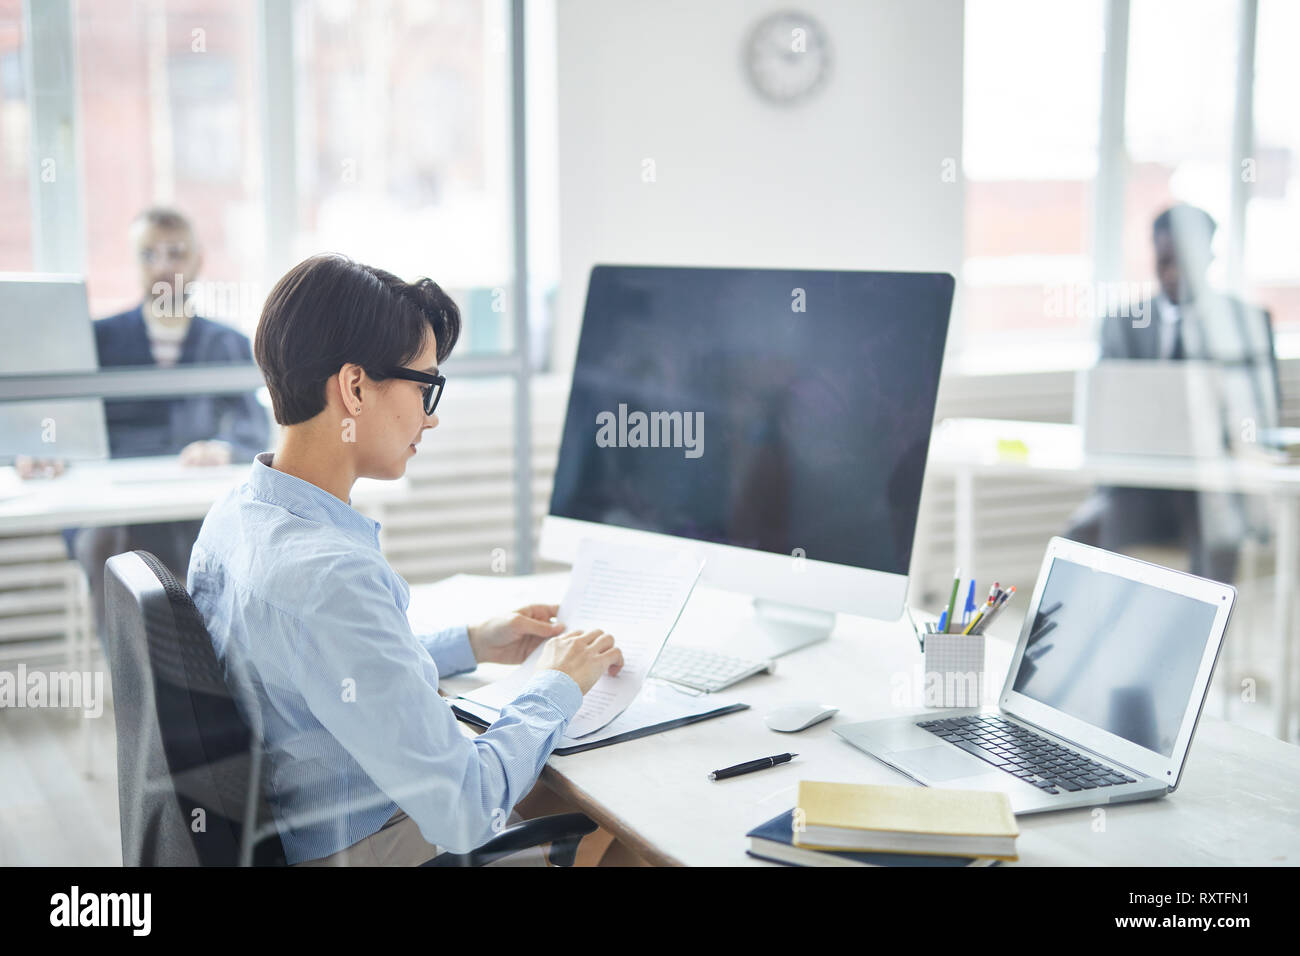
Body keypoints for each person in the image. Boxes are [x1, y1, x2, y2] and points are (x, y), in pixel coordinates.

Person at [186, 253, 624, 866]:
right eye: (425, 386)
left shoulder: (235, 517)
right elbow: (468, 808)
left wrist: (470, 641)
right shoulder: (331, 575)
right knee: (621, 840)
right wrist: (559, 682)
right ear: (355, 387)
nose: (432, 414)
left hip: (301, 830)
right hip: (369, 849)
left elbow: (319, 664)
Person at [17, 207, 271, 641]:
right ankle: (137, 687)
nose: (164, 265)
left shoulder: (227, 343)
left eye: (176, 252)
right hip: (113, 512)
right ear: (133, 263)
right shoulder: (96, 339)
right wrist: (43, 448)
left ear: (198, 260)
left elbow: (253, 426)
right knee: (110, 545)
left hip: (189, 505)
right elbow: (55, 419)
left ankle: (204, 679)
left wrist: (222, 447)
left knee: (227, 545)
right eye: (149, 254)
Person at [1063, 204, 1280, 582]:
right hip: (1137, 487)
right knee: (1078, 536)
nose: (1175, 273)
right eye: (1166, 260)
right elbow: (1107, 413)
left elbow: (1262, 411)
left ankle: (1208, 637)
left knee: (1218, 536)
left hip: (1212, 490)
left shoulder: (1243, 323)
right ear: (1153, 254)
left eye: (1186, 261)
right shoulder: (1122, 324)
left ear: (1210, 256)